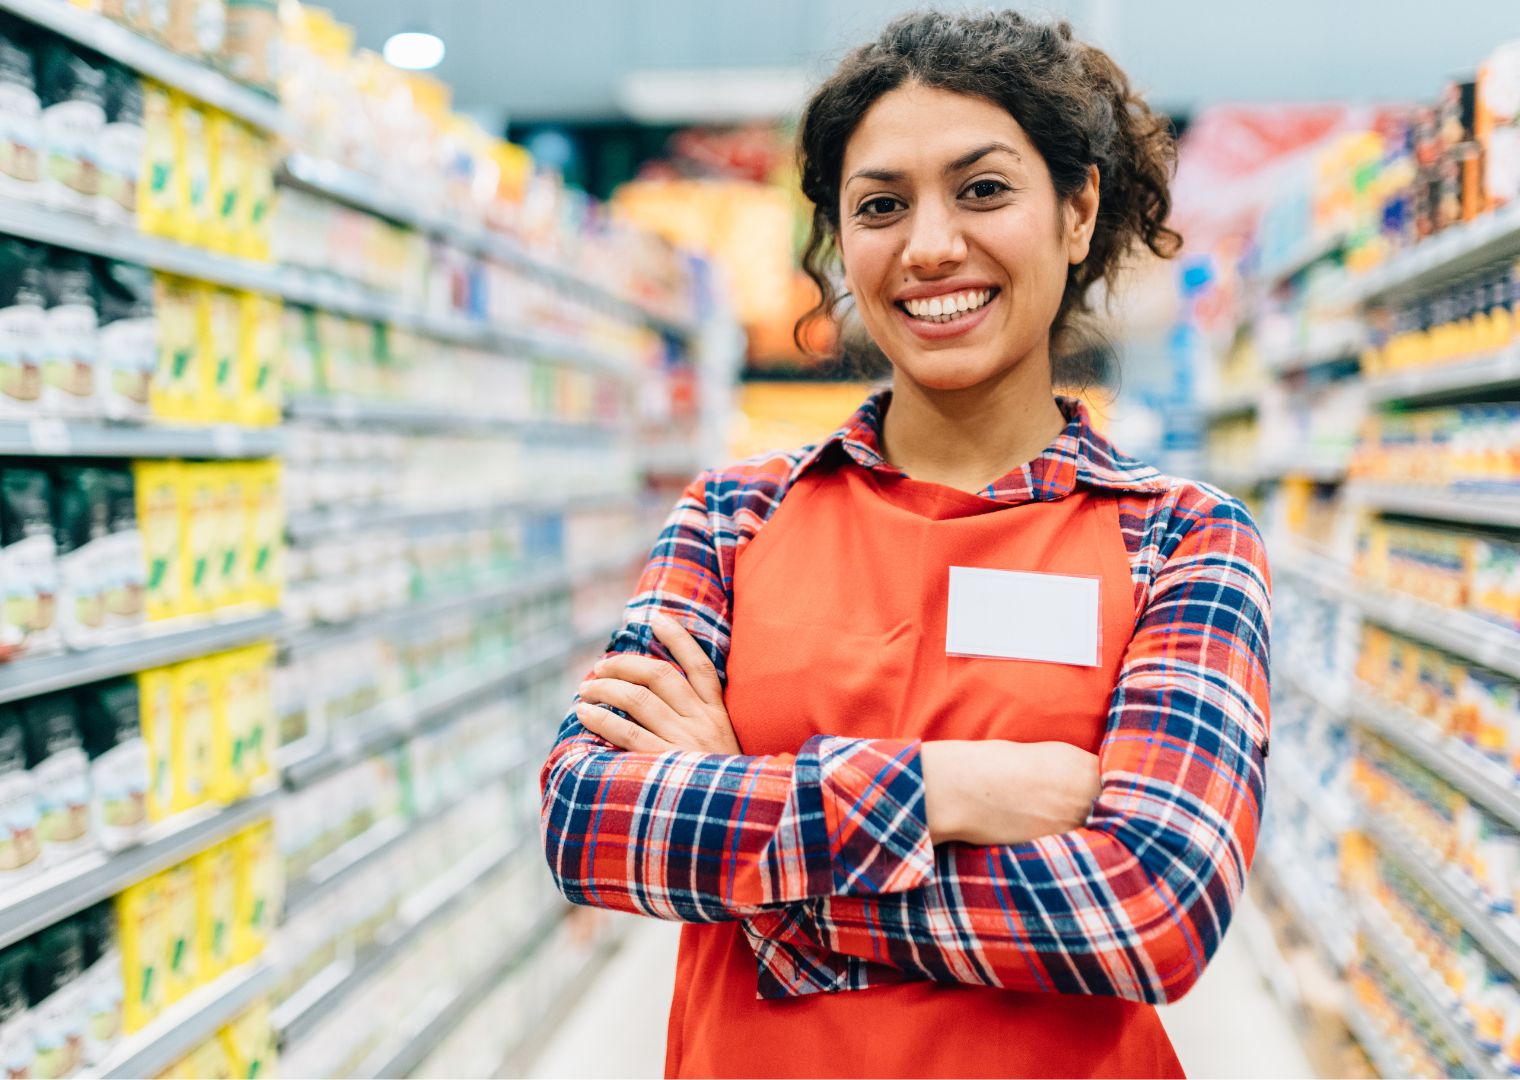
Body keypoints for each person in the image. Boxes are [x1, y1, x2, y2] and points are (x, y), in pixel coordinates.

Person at [540, 10, 1270, 1079]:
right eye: (880, 205)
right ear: (840, 242)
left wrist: (750, 845)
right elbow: (588, 819)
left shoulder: (1181, 541)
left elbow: (1146, 912)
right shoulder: (729, 519)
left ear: (1075, 213)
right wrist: (951, 788)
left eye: (982, 190)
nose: (929, 245)